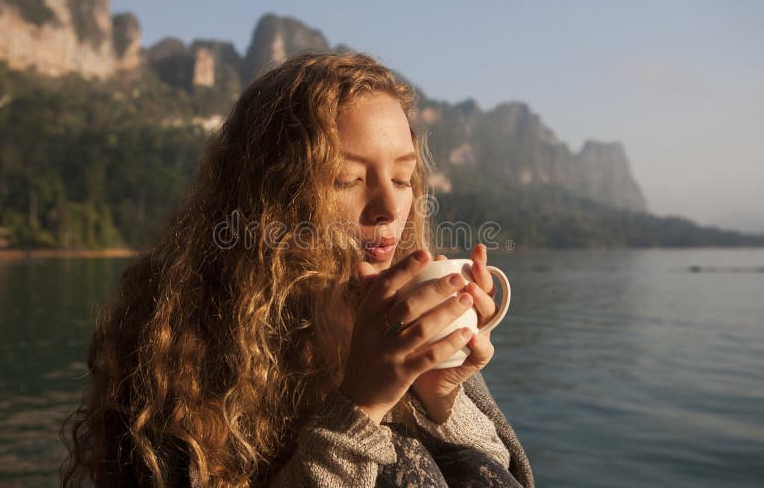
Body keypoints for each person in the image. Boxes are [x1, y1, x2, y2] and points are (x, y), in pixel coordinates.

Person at [61, 52, 534, 487]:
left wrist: (440, 396)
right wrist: (360, 409)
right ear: (270, 198)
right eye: (347, 179)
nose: (390, 207)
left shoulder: (406, 320)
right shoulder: (178, 351)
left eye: (401, 178)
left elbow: (497, 472)